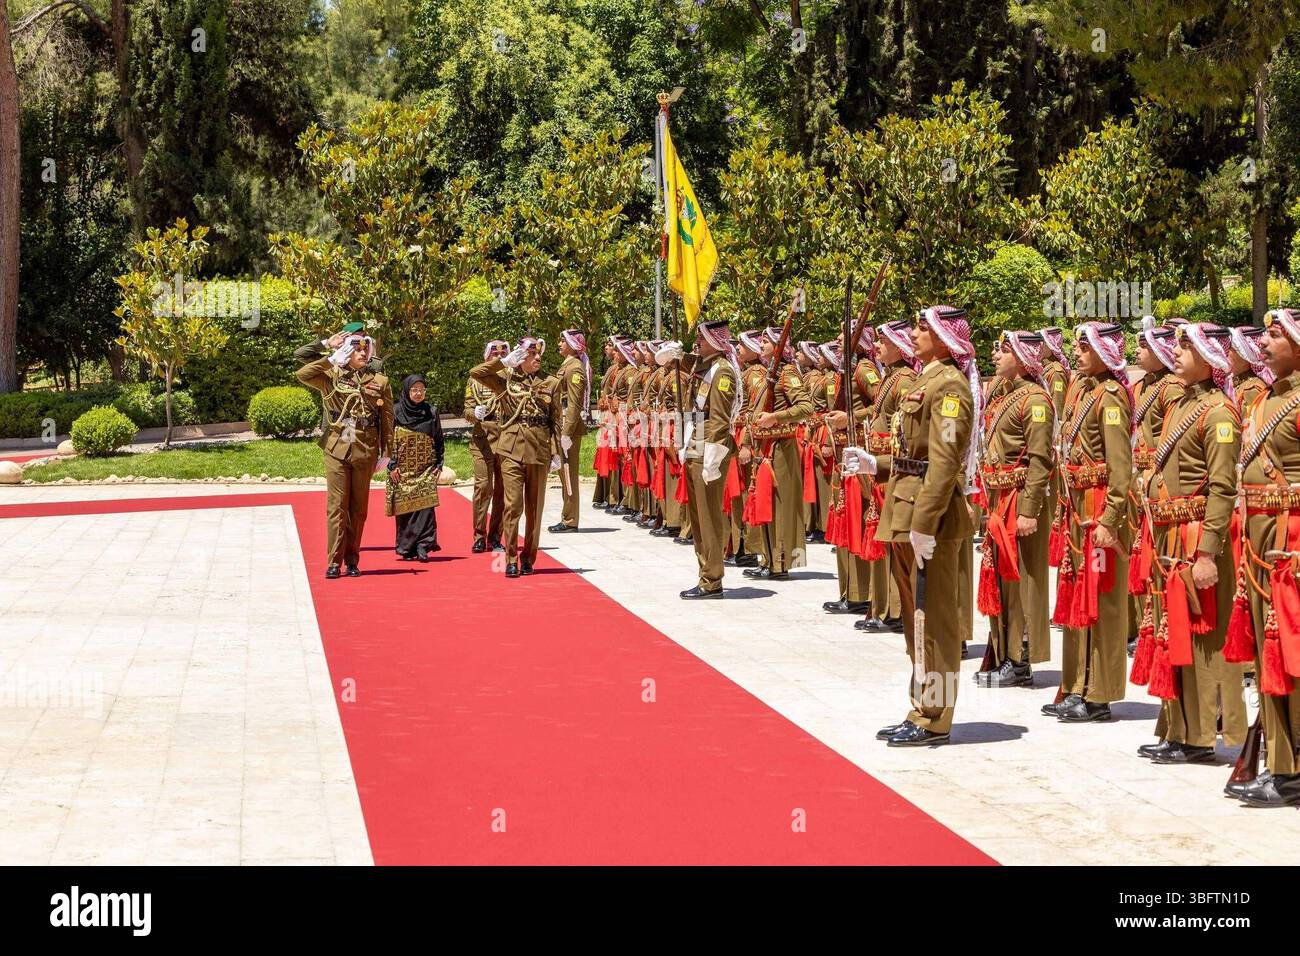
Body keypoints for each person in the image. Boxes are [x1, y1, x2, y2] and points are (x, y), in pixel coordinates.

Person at [844, 304, 979, 747]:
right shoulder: (926, 379)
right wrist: (875, 463)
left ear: (943, 336)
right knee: (915, 620)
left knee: (935, 621)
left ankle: (935, 716)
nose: (916, 334)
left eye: (924, 327)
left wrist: (924, 523)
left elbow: (943, 463)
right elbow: (911, 452)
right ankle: (919, 706)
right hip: (905, 506)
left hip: (928, 516)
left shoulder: (950, 386)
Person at [1129, 323, 1246, 764]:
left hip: (1196, 537)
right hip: (1170, 536)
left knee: (1202, 641)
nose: (1175, 352)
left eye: (1185, 346)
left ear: (1207, 355)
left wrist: (1208, 551)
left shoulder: (1218, 413)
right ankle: (1177, 728)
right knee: (1171, 633)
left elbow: (1222, 488)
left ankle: (1199, 736)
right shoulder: (1181, 403)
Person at [1223, 308, 1300, 806]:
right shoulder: (1265, 399)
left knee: (1291, 654)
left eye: (1276, 336)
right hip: (1255, 542)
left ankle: (1292, 769)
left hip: (1289, 539)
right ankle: (1279, 760)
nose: (1265, 343)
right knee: (1266, 655)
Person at [1043, 321, 1133, 723]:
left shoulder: (1110, 398)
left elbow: (1120, 467)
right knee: (1079, 596)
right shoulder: (1084, 390)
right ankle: (1076, 684)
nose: (1076, 353)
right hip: (1078, 506)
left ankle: (1100, 693)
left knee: (1103, 602)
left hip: (1099, 508)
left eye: (1084, 347)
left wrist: (1111, 519)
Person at [974, 331, 1055, 686]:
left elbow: (1040, 461)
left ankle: (1021, 659)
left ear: (1022, 357)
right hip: (999, 499)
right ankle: (1003, 651)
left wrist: (1029, 510)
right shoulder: (1003, 394)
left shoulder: (1035, 400)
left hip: (1020, 499)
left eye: (1004, 351)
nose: (996, 356)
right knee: (1001, 579)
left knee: (1023, 581)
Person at [295, 332, 394, 579]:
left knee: (359, 508)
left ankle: (352, 560)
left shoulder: (379, 380)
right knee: (337, 506)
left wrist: (387, 452)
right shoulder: (331, 375)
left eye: (365, 349)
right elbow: (302, 372)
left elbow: (387, 419)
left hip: (365, 446)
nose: (362, 353)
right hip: (338, 444)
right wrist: (330, 355)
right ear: (347, 352)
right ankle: (333, 562)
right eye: (356, 349)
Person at [658, 320, 742, 599]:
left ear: (716, 343)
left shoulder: (722, 372)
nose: (698, 343)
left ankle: (712, 579)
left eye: (702, 340)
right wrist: (676, 355)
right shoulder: (705, 365)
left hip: (708, 447)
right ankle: (705, 573)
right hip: (695, 442)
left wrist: (713, 456)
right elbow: (687, 361)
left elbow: (718, 418)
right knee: (697, 515)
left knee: (708, 516)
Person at [469, 337, 562, 577]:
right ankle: (510, 558)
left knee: (535, 508)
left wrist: (556, 453)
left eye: (539, 354)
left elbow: (556, 422)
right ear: (521, 358)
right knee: (512, 506)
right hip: (510, 448)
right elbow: (476, 372)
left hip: (539, 449)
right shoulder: (505, 380)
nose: (538, 358)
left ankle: (528, 558)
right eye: (532, 355)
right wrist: (503, 362)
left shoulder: (551, 382)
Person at [853, 320, 918, 633]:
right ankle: (882, 606)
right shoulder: (891, 377)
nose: (876, 347)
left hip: (890, 467)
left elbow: (905, 431)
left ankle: (894, 609)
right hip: (878, 466)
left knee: (893, 541)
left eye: (883, 341)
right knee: (883, 539)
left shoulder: (905, 380)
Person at [740, 326, 813, 580]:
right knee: (766, 505)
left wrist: (776, 417)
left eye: (765, 341)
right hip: (765, 447)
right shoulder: (769, 373)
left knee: (781, 507)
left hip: (781, 447)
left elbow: (806, 407)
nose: (761, 343)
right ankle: (768, 560)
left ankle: (781, 564)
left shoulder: (788, 372)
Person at [387, 374, 444, 561]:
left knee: (426, 509)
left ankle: (423, 545)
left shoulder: (432, 412)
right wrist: (391, 465)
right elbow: (388, 441)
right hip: (402, 470)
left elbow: (438, 439)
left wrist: (439, 464)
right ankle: (406, 548)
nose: (418, 393)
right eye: (414, 390)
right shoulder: (396, 412)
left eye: (421, 390)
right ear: (406, 391)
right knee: (406, 511)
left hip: (426, 468)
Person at [467, 340, 508, 553]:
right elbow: (467, 409)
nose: (498, 356)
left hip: (505, 438)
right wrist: (474, 414)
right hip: (482, 438)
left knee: (502, 491)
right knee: (483, 488)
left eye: (502, 353)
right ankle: (478, 535)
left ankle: (495, 536)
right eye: (494, 353)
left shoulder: (511, 379)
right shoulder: (476, 381)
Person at [549, 329, 590, 533]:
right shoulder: (568, 365)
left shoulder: (574, 368)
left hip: (569, 428)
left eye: (562, 341)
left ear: (572, 344)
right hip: (563, 425)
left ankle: (570, 519)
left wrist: (566, 432)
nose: (559, 344)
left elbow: (574, 404)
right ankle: (567, 515)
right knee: (563, 473)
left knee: (568, 472)